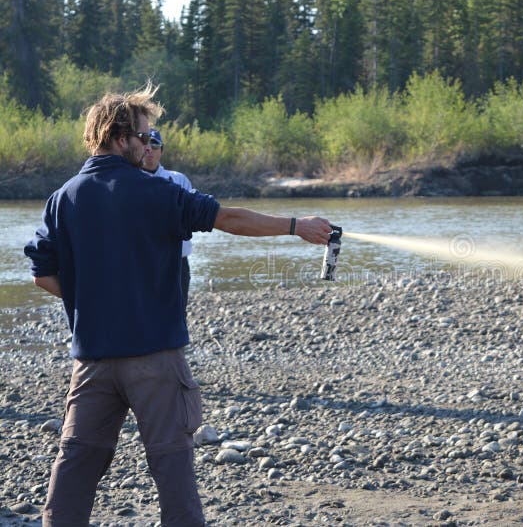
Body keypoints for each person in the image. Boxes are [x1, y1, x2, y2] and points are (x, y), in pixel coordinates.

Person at [23, 83, 332, 527]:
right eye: (144, 136)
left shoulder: (63, 198)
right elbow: (227, 218)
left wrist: (92, 301)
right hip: (155, 358)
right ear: (120, 138)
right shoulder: (158, 192)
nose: (150, 145)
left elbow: (41, 274)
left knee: (76, 465)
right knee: (172, 468)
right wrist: (295, 225)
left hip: (91, 361)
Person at [141, 128, 193, 315]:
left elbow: (191, 216)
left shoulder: (178, 179)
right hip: (143, 261)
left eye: (155, 146)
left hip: (178, 262)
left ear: (161, 150)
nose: (150, 150)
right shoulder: (129, 181)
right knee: (145, 312)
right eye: (146, 145)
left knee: (177, 313)